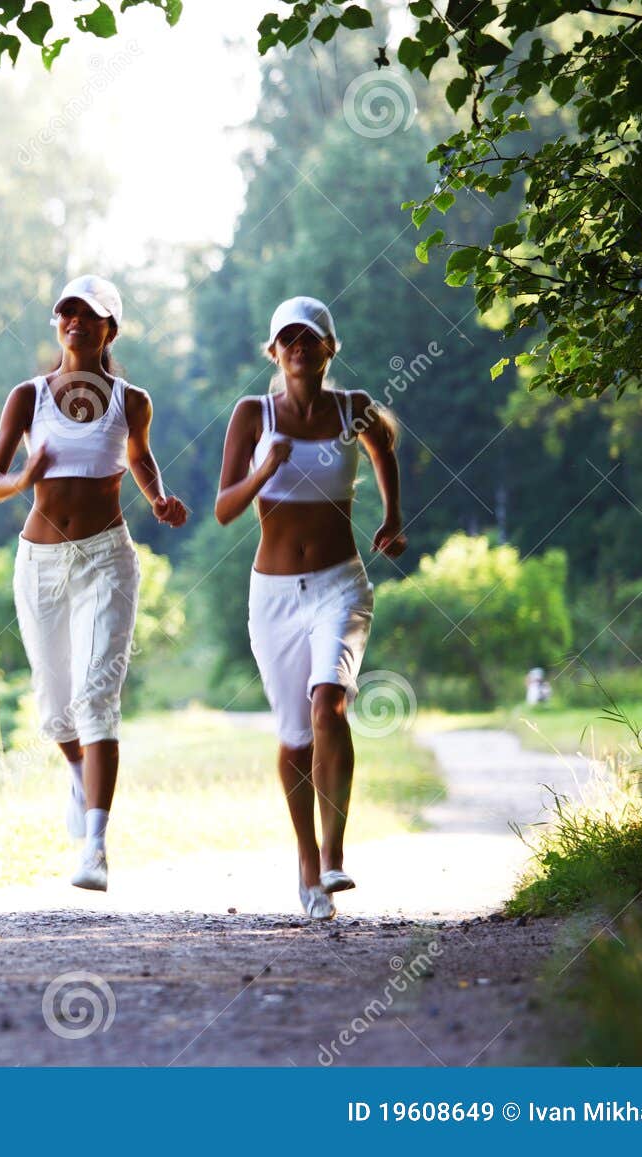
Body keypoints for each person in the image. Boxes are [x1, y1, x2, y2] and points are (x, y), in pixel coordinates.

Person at [0, 274, 188, 891]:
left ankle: (95, 846)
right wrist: (26, 477)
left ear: (109, 329)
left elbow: (139, 456)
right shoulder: (28, 397)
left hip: (106, 559)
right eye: (66, 312)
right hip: (39, 563)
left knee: (97, 696)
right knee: (56, 707)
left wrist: (159, 497)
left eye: (89, 315)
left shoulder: (132, 401)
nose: (75, 321)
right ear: (58, 324)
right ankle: (78, 775)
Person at [214, 296, 406, 920]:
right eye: (288, 338)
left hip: (339, 585)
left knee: (330, 704)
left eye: (310, 337)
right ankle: (305, 860)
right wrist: (264, 467)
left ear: (329, 348)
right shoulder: (253, 414)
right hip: (273, 596)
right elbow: (224, 508)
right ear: (274, 351)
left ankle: (332, 852)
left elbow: (383, 449)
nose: (299, 346)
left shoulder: (353, 409)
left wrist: (393, 518)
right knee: (296, 739)